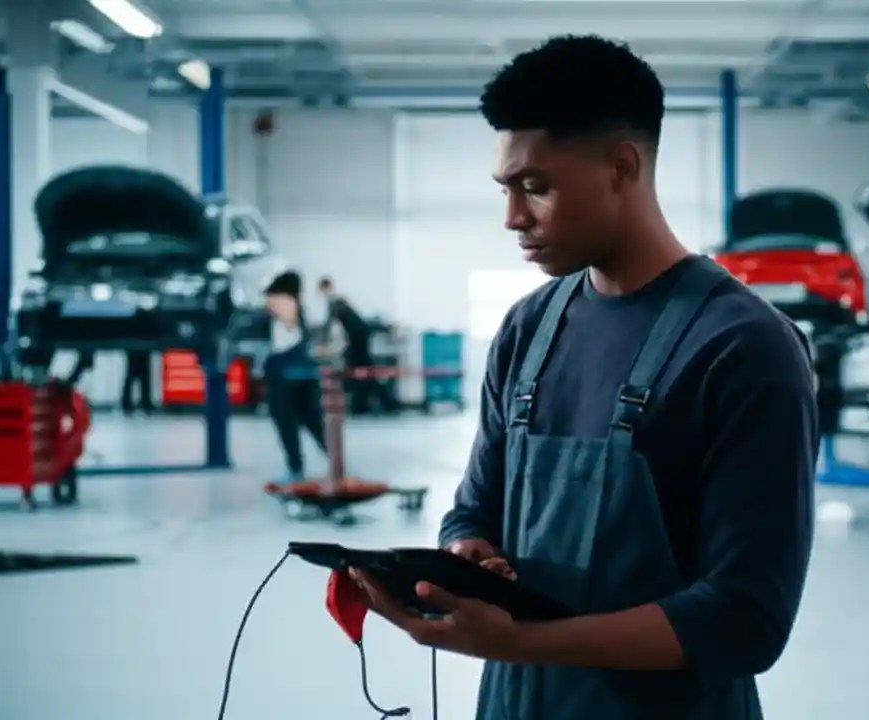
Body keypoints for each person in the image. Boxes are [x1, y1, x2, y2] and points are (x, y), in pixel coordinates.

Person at [350, 35, 816, 719]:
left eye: (536, 187)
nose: (513, 218)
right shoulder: (527, 329)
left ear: (622, 166)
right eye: (506, 190)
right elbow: (476, 504)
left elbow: (746, 618)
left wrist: (523, 640)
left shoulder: (744, 349)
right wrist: (466, 553)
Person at [262, 271, 328, 483]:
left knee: (286, 423)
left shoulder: (279, 300)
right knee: (314, 422)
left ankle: (296, 469)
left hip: (284, 375)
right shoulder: (302, 306)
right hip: (305, 373)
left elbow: (286, 318)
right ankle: (337, 464)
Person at [316, 277, 380, 415]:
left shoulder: (335, 302)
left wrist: (322, 342)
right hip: (358, 337)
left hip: (358, 338)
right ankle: (362, 404)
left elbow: (328, 324)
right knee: (360, 371)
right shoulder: (339, 301)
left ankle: (367, 404)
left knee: (361, 370)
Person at [120, 350, 155, 414]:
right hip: (141, 347)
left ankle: (127, 403)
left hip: (133, 346)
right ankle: (145, 402)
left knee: (133, 374)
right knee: (142, 374)